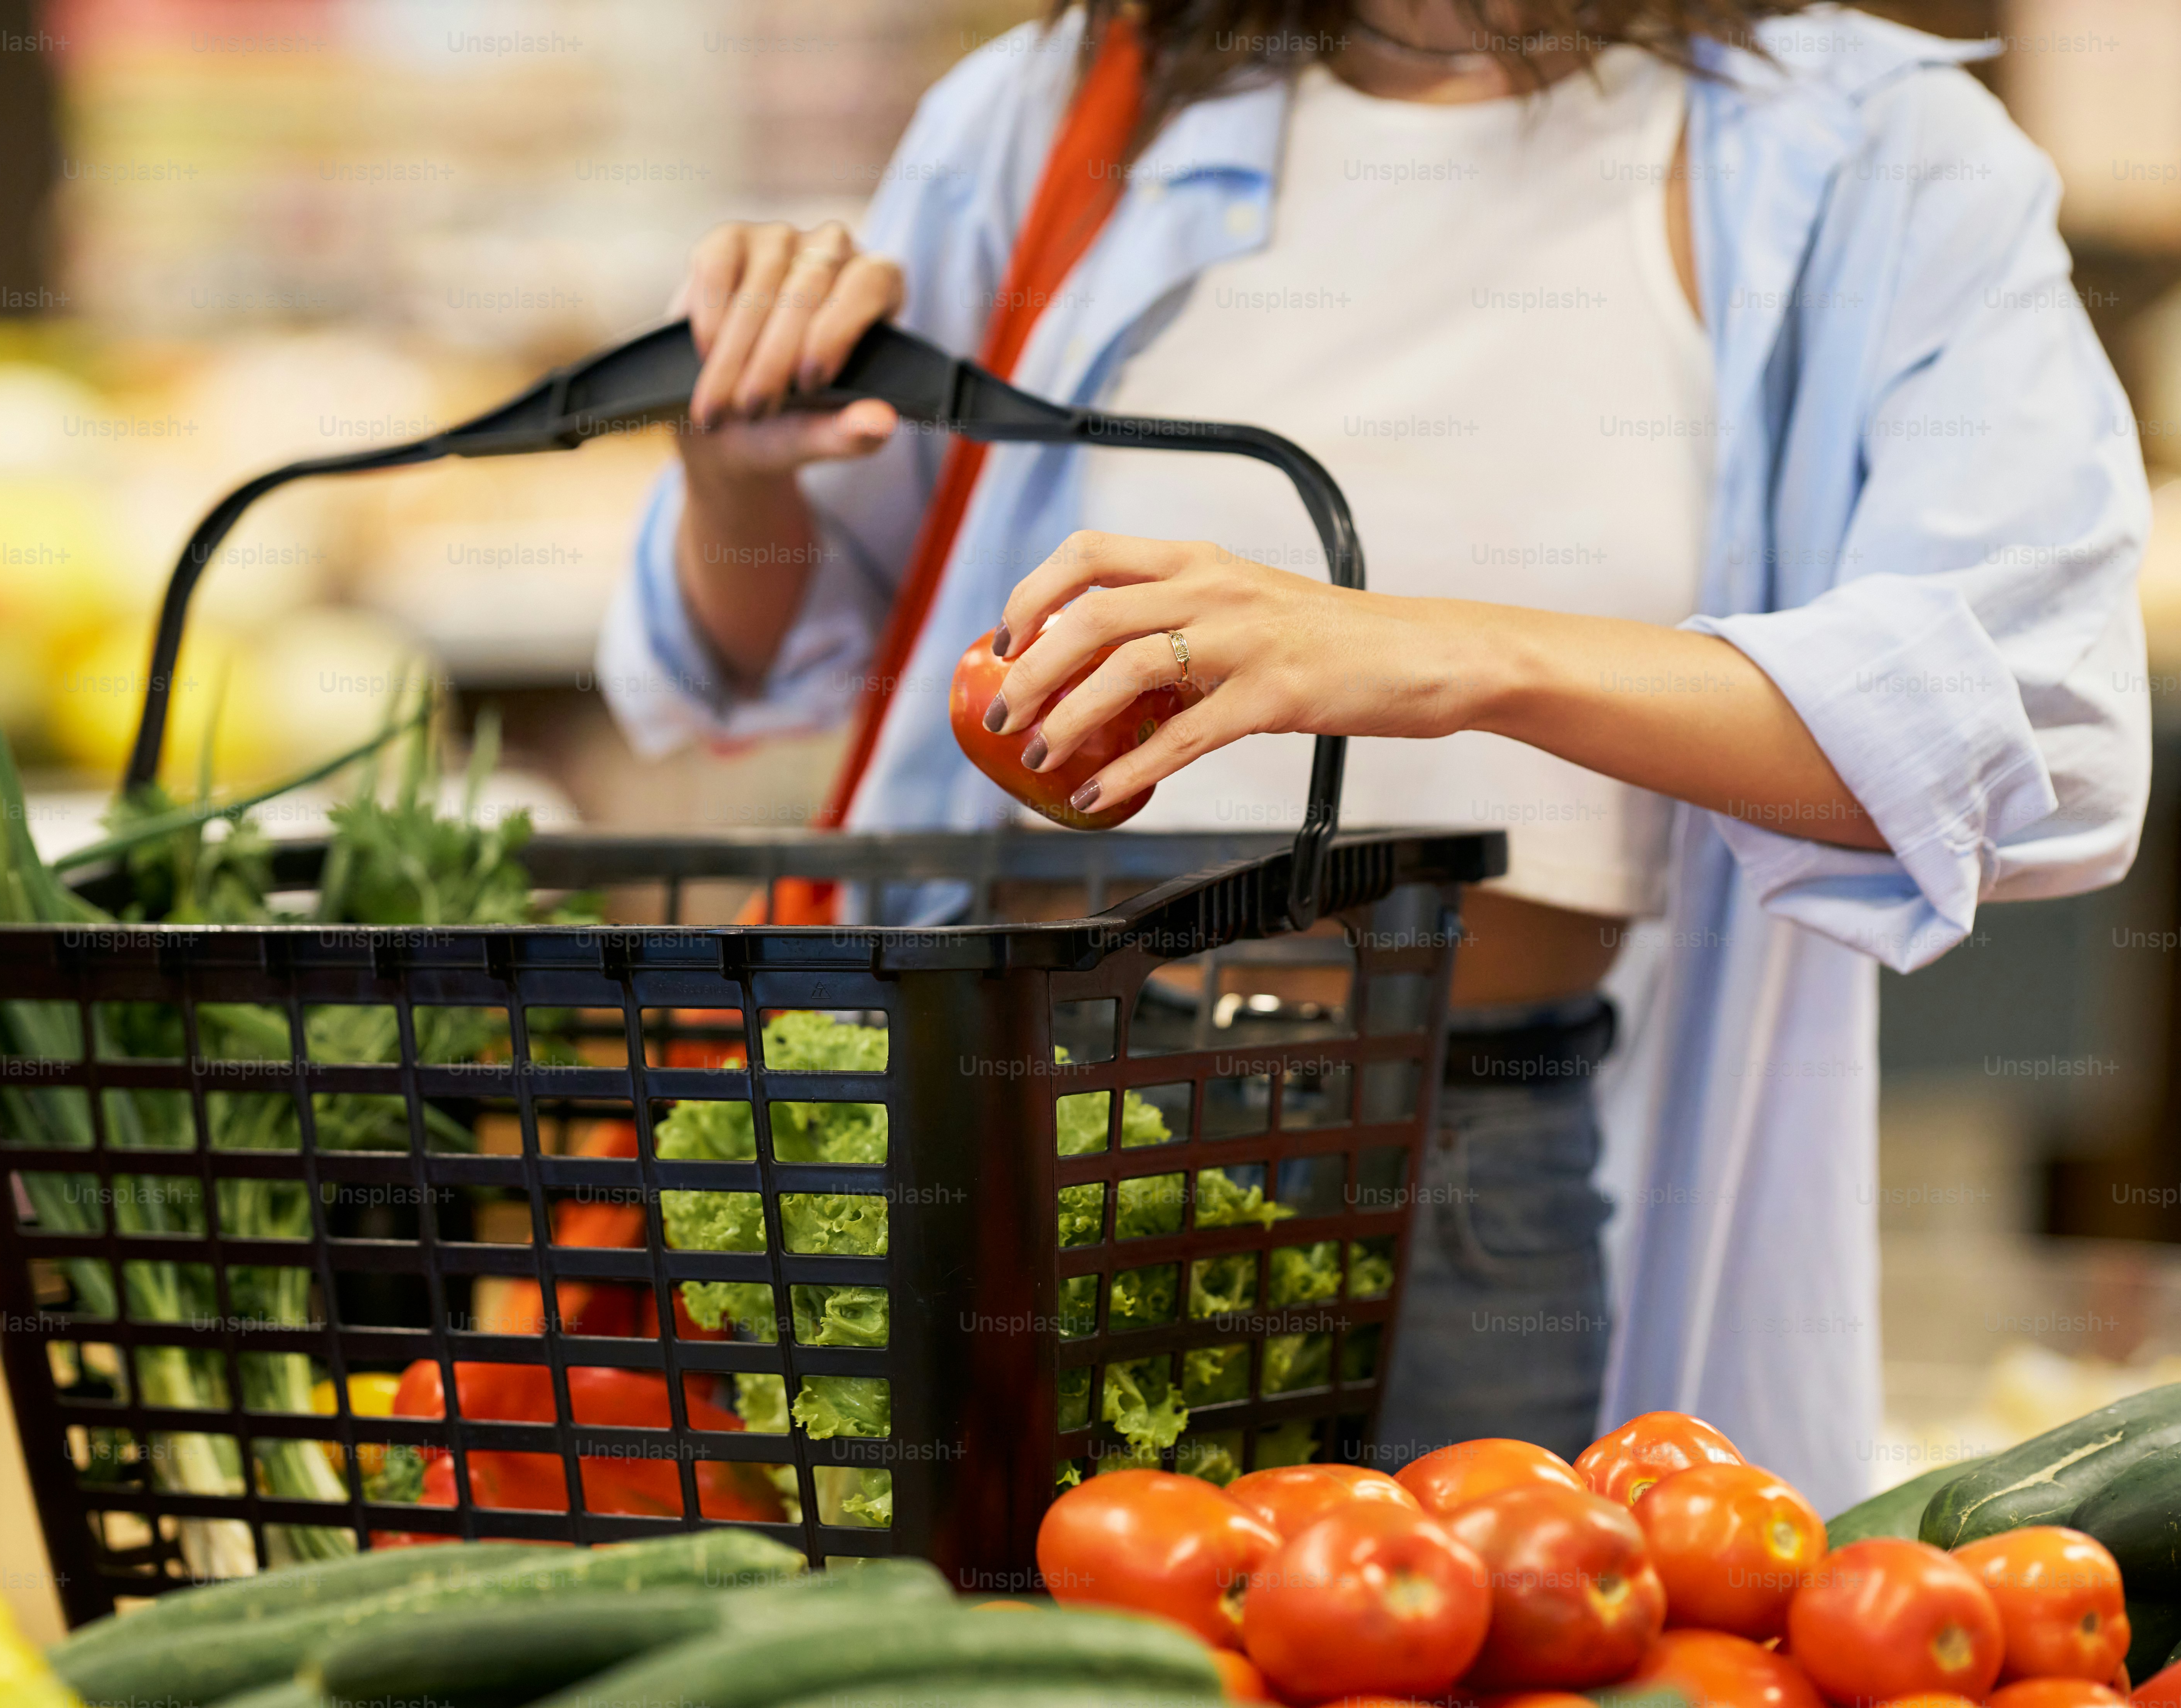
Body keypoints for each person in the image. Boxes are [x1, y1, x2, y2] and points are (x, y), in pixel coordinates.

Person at [595, 0, 2151, 1510]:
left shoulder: (1871, 152)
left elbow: (2028, 726)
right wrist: (736, 471)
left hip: (1457, 1165)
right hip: (1018, 1132)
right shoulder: (1066, 101)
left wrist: (1440, 655)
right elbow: (759, 663)